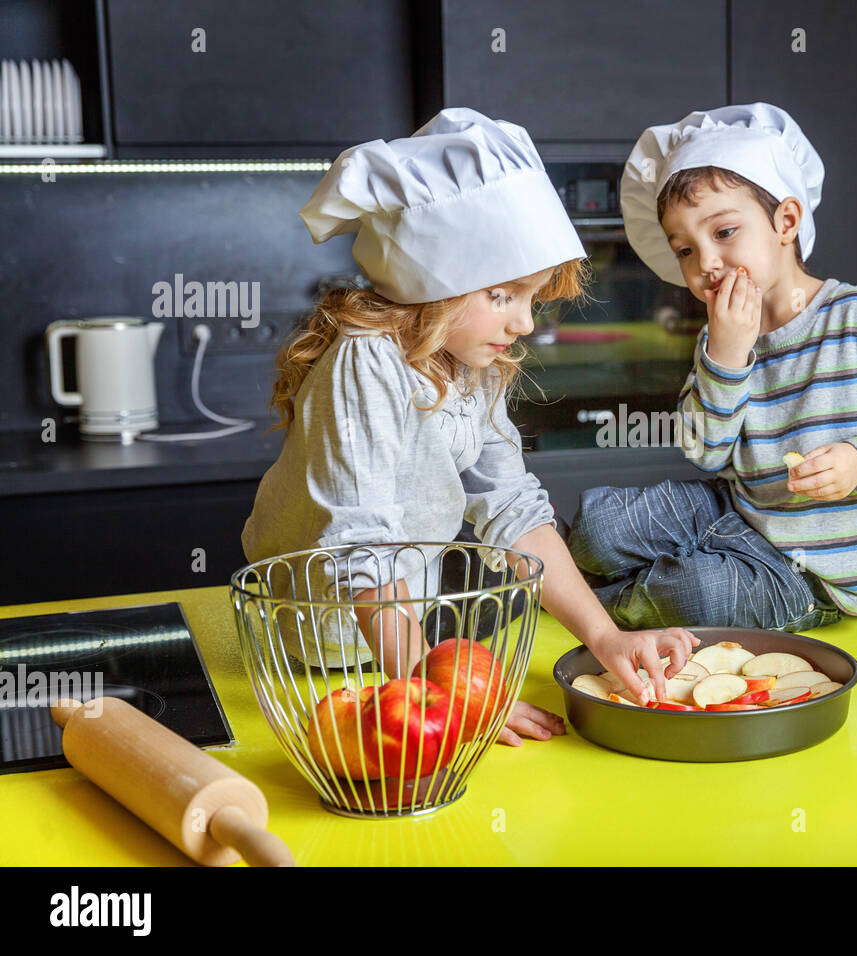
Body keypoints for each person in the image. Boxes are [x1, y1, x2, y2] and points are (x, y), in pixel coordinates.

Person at [241, 109, 698, 745]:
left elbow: (512, 509)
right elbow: (360, 542)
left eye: (531, 299)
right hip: (325, 645)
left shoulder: (470, 365)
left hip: (404, 643)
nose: (525, 324)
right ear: (435, 280)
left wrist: (604, 636)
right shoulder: (367, 357)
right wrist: (435, 694)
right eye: (503, 296)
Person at [567, 103, 857, 632]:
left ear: (786, 221)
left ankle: (603, 602)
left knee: (697, 593)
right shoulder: (719, 335)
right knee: (598, 525)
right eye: (685, 249)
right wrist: (727, 355)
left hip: (810, 575)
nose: (705, 262)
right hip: (734, 510)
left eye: (724, 232)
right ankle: (637, 578)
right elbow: (706, 451)